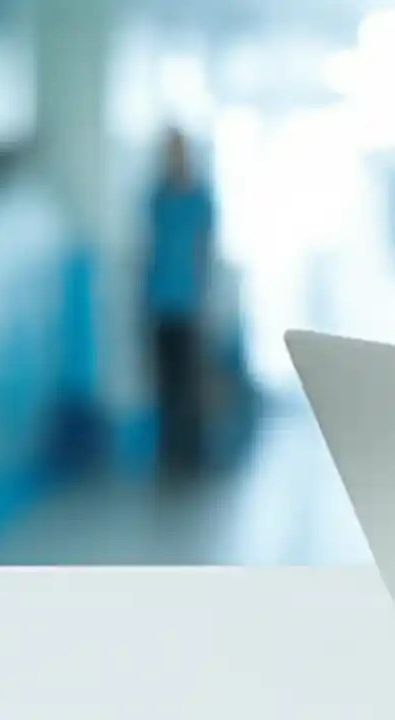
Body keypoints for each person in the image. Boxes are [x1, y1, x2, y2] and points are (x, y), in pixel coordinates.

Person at [145, 127, 215, 476]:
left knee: (190, 385)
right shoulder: (158, 197)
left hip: (189, 305)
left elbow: (205, 252)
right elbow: (150, 248)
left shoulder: (200, 198)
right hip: (161, 304)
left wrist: (206, 302)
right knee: (165, 385)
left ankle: (193, 456)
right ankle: (168, 455)